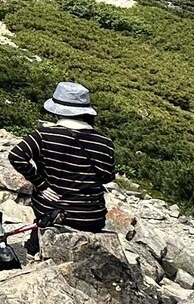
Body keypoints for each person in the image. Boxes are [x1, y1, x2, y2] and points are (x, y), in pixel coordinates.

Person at [8, 81, 115, 247]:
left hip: (54, 213)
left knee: (35, 246)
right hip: (92, 217)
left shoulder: (43, 135)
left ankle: (35, 248)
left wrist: (41, 185)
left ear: (57, 111)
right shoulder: (104, 142)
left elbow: (16, 156)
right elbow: (107, 176)